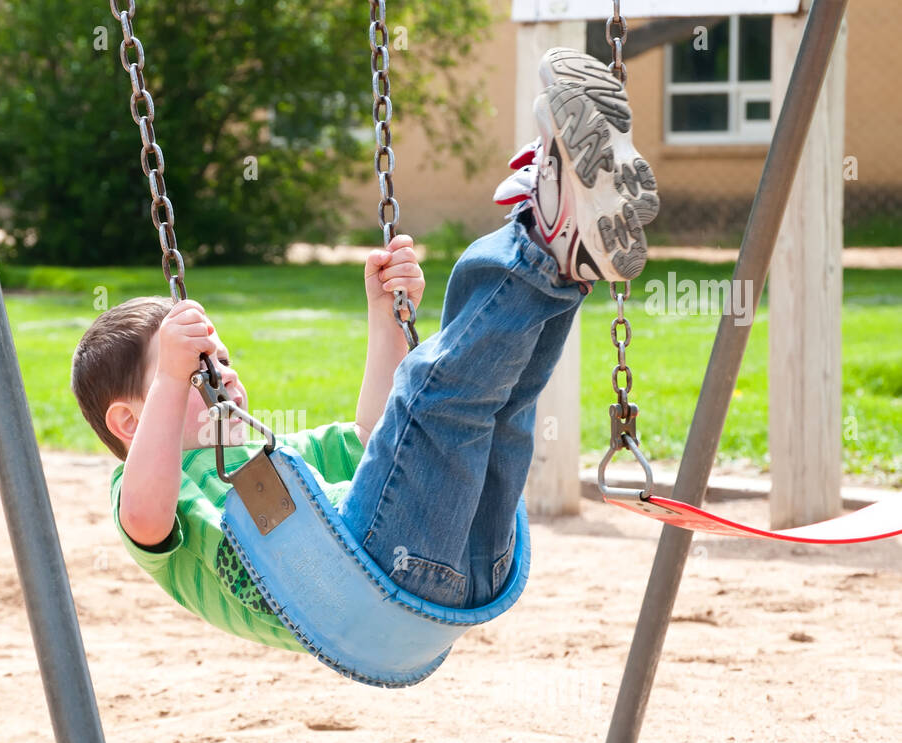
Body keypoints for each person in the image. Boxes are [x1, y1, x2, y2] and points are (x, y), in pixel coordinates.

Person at [70, 48, 657, 654]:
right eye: (197, 370)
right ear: (128, 419)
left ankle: (566, 261)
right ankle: (539, 229)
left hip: (468, 561)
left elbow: (379, 436)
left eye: (219, 359)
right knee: (436, 399)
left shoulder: (283, 458)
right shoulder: (150, 492)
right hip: (377, 587)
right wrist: (170, 380)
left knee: (502, 402)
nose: (223, 374)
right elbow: (146, 517)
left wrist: (385, 319)